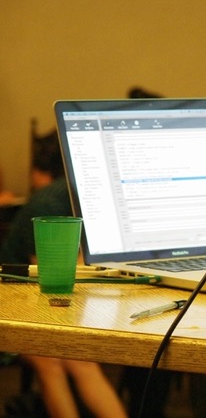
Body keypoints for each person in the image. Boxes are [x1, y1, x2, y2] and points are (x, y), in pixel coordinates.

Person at [0, 131, 127, 418]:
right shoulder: (66, 198)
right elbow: (55, 277)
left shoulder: (48, 201)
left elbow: (58, 278)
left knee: (74, 358)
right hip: (14, 306)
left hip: (37, 301)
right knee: (56, 360)